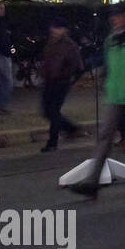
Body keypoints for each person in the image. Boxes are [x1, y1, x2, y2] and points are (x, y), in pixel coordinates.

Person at [70, 2, 125, 197]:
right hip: (114, 97)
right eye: (113, 16)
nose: (114, 19)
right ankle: (92, 183)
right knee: (105, 139)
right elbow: (106, 64)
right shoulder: (111, 39)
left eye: (118, 15)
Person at [37, 20, 84, 153]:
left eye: (57, 28)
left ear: (63, 30)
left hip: (61, 81)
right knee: (47, 110)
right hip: (49, 80)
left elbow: (77, 64)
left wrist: (66, 75)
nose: (54, 31)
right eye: (53, 28)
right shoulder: (51, 43)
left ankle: (52, 142)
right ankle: (70, 128)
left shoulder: (69, 45)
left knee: (53, 110)